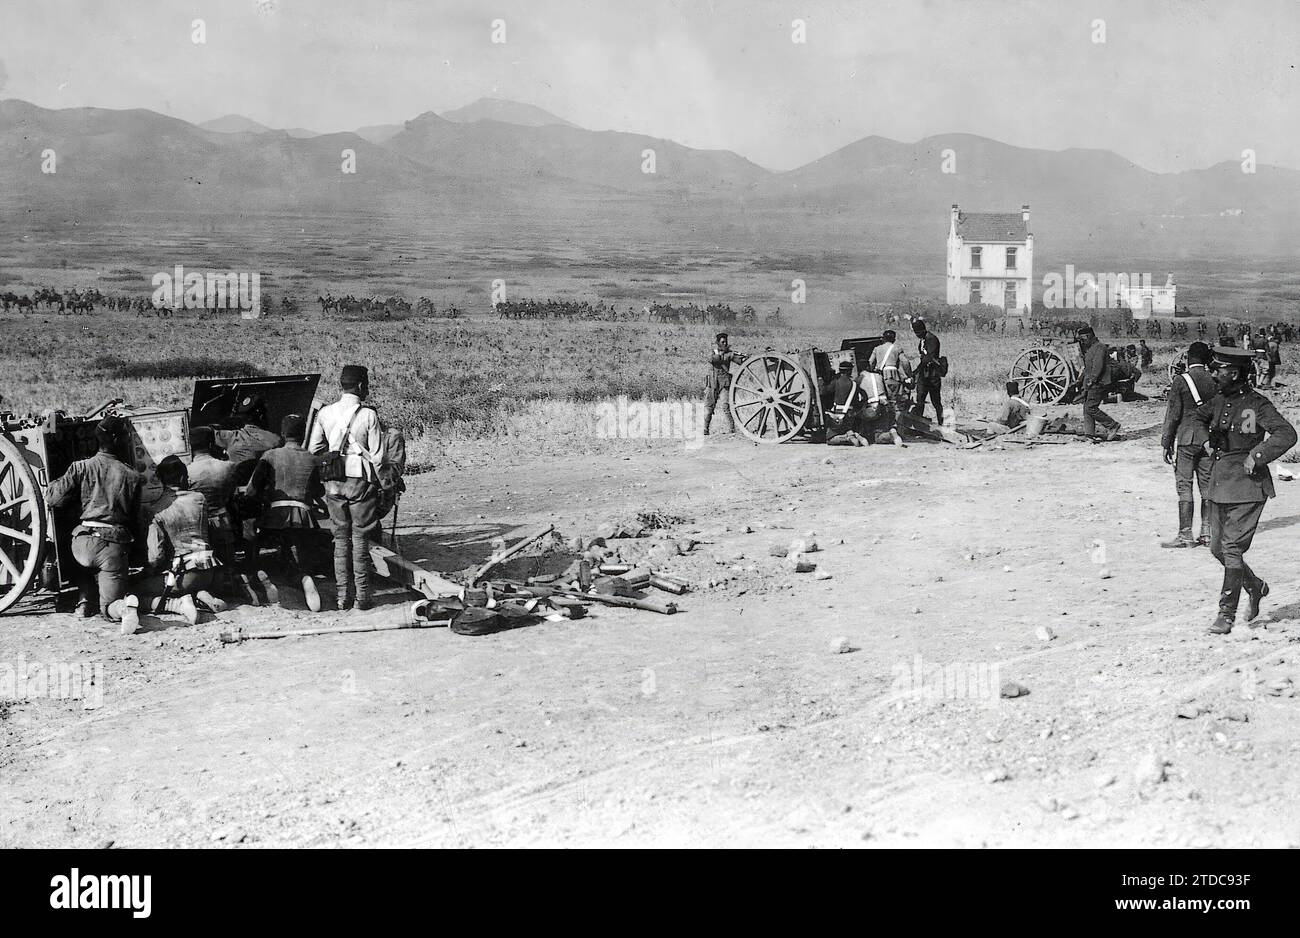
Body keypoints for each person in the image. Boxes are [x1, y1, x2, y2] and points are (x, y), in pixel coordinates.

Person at [1193, 347, 1297, 634]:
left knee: (1231, 548)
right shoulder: (1217, 401)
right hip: (1218, 484)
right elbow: (1195, 419)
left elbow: (1287, 434)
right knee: (1217, 548)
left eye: (1219, 370)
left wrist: (1258, 455)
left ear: (1234, 373)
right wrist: (1205, 440)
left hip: (1248, 487)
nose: (1213, 374)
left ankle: (1226, 614)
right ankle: (1255, 586)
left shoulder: (1258, 404)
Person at [45, 416, 142, 633]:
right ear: (120, 441)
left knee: (81, 554)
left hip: (83, 545)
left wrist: (50, 483)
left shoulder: (80, 467)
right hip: (113, 547)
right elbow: (135, 520)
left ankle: (83, 600)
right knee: (109, 607)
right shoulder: (133, 476)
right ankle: (124, 611)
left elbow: (54, 499)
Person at [308, 364, 383, 611]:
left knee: (340, 538)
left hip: (333, 482)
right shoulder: (368, 415)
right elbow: (378, 456)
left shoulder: (326, 413)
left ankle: (342, 597)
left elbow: (313, 450)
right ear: (361, 385)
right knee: (360, 538)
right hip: (359, 480)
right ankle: (363, 597)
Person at [246, 414, 325, 611]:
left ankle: (264, 577)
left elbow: (252, 490)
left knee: (259, 546)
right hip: (303, 517)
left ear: (282, 433)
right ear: (303, 434)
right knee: (299, 557)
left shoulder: (270, 456)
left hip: (274, 517)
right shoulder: (311, 459)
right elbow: (318, 491)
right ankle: (304, 578)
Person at [135, 455, 224, 625]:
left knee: (134, 592)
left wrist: (145, 574)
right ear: (183, 476)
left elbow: (155, 557)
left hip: (184, 574)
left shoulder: (156, 510)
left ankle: (176, 604)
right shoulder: (199, 499)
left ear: (160, 479)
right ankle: (201, 596)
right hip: (209, 570)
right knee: (189, 585)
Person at [1159, 342, 1218, 548]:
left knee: (1185, 486)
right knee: (1207, 487)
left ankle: (1185, 535)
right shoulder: (1214, 380)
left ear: (1188, 358)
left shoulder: (1181, 380)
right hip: (1208, 441)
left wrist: (1166, 443)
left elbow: (1173, 414)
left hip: (1186, 440)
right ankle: (1207, 533)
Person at [186, 426, 238, 588]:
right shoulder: (229, 467)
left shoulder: (187, 471)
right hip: (223, 522)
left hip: (197, 525)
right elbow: (232, 496)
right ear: (211, 444)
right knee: (226, 565)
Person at [1076, 326, 1121, 441]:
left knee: (1091, 407)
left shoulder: (1099, 347)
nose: (1082, 342)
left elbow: (1098, 365)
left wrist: (1092, 380)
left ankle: (1112, 425)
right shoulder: (1091, 348)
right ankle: (1089, 435)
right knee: (1087, 407)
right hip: (1092, 382)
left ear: (1088, 336)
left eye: (1083, 339)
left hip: (1099, 382)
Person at [704, 333, 741, 435]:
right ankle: (705, 430)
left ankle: (731, 430)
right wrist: (725, 355)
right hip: (712, 384)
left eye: (726, 342)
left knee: (726, 406)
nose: (725, 344)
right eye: (722, 342)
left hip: (724, 384)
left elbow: (740, 361)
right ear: (718, 343)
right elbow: (712, 359)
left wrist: (743, 358)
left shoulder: (730, 354)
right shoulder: (713, 352)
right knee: (709, 407)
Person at [908, 318, 943, 425]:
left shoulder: (932, 339)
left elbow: (929, 358)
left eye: (917, 332)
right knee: (920, 400)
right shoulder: (923, 340)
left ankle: (941, 423)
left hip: (932, 375)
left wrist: (916, 371)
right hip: (924, 375)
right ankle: (919, 424)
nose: (916, 335)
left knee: (936, 401)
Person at [868, 330, 911, 404]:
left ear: (883, 339)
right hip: (895, 376)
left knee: (883, 400)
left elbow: (870, 362)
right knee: (895, 400)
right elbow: (905, 362)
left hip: (881, 377)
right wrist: (908, 375)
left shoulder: (877, 349)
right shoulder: (897, 348)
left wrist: (873, 371)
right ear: (894, 339)